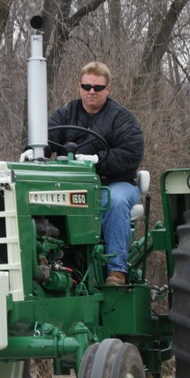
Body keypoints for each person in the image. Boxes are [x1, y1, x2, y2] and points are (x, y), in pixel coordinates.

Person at [48, 61, 144, 286]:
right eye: (87, 86)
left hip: (114, 183)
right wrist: (34, 149)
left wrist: (98, 159)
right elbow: (47, 137)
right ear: (79, 86)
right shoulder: (65, 114)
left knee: (115, 201)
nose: (92, 92)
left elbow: (131, 154)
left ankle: (116, 269)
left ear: (108, 89)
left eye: (98, 88)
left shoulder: (122, 118)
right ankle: (54, 265)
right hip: (72, 184)